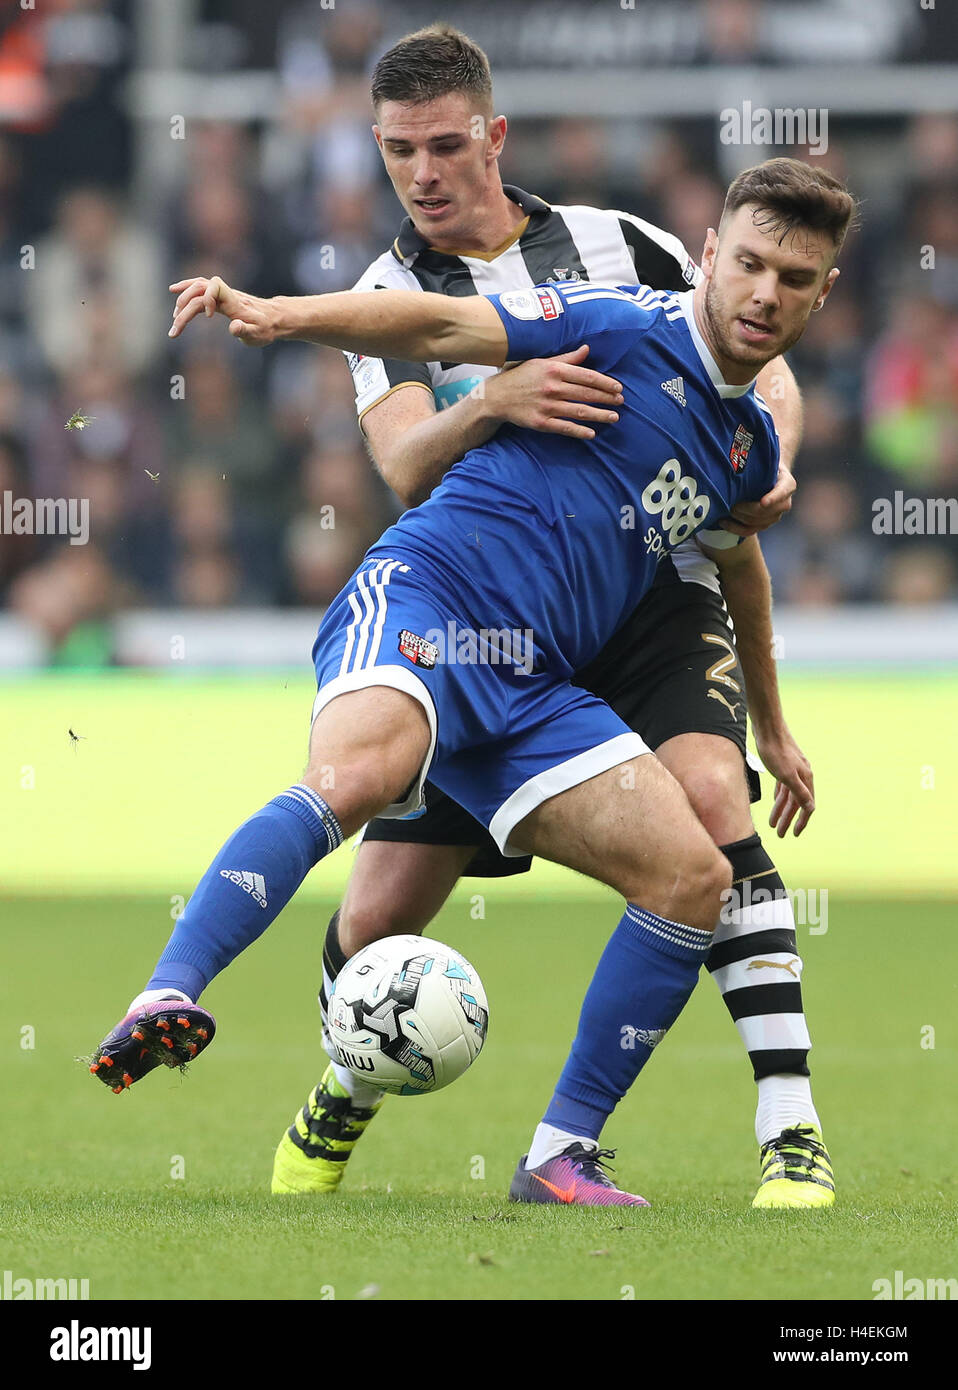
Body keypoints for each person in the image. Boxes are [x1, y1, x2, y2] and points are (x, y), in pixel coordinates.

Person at [92, 149, 853, 1208]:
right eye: (754, 266)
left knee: (693, 876)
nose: (767, 295)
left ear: (822, 292)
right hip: (432, 603)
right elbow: (438, 327)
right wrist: (275, 312)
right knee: (356, 789)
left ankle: (558, 1155)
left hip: (539, 682)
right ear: (711, 258)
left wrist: (774, 725)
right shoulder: (621, 319)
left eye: (797, 279)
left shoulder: (743, 442)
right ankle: (165, 993)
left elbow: (741, 568)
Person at [262, 24, 822, 1210]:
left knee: (716, 809)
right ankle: (341, 1092)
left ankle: (788, 1132)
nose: (423, 172)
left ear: (493, 136)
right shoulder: (388, 293)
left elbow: (757, 362)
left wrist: (776, 465)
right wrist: (497, 402)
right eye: (399, 151)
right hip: (498, 619)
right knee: (376, 916)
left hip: (651, 596)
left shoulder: (629, 246)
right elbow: (405, 469)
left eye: (446, 145)